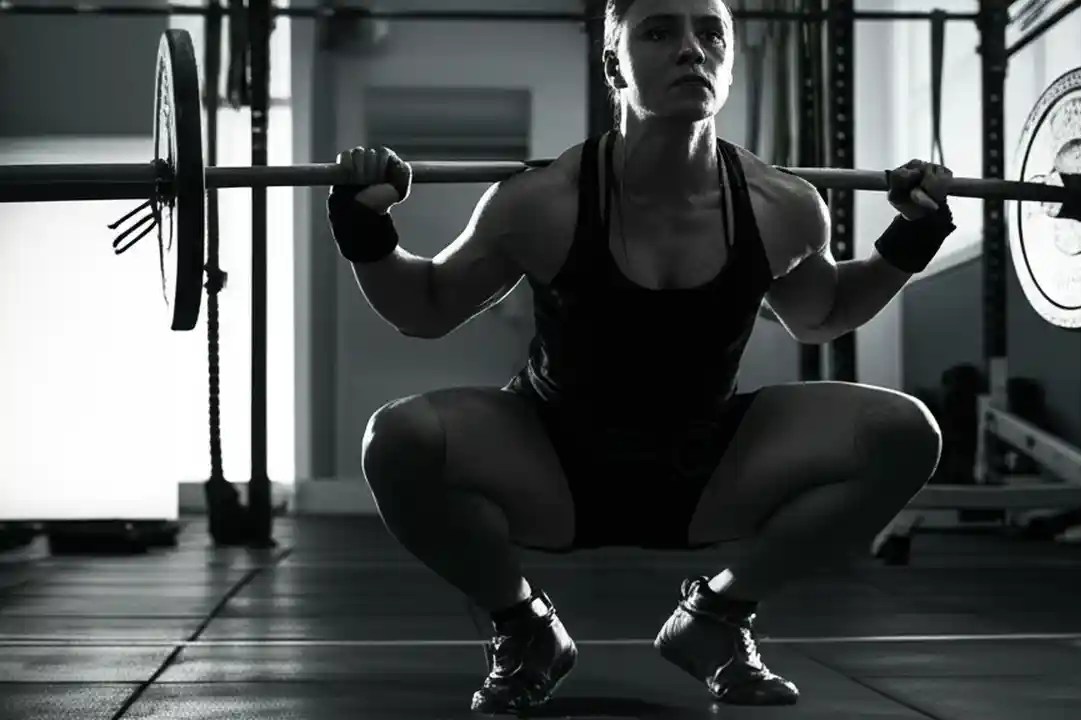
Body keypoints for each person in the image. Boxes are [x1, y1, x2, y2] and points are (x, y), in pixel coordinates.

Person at [327, 0, 955, 713]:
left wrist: (908, 243)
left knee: (905, 434)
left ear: (730, 57)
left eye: (710, 31)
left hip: (712, 464)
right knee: (398, 440)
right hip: (549, 460)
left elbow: (824, 313)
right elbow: (426, 307)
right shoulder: (542, 200)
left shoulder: (784, 205)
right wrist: (366, 231)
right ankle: (523, 626)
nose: (692, 50)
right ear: (613, 65)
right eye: (659, 31)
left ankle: (717, 617)